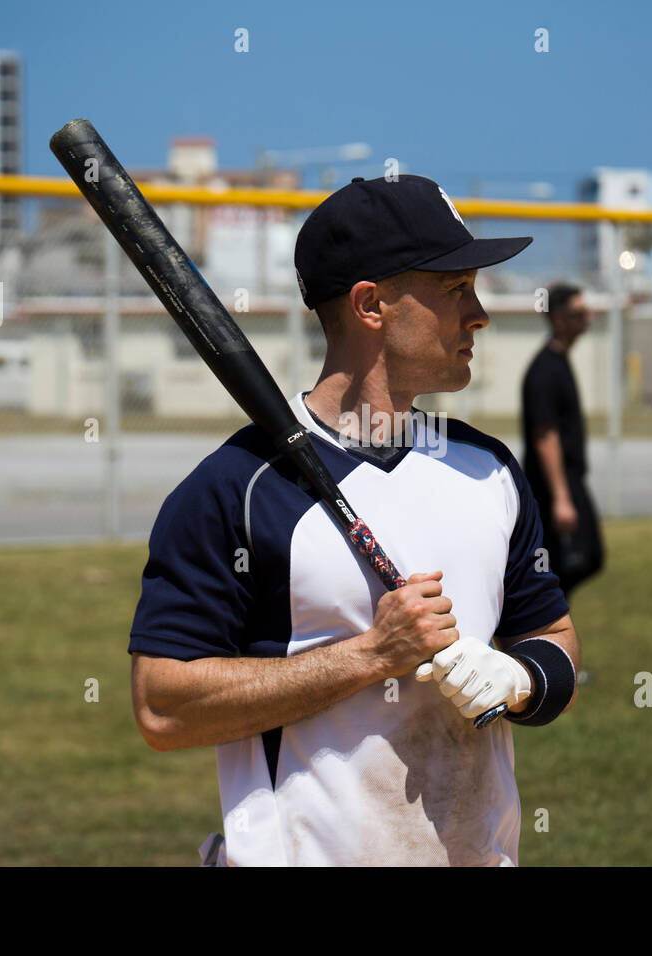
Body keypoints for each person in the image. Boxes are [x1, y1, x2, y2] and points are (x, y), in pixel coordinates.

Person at [129, 174, 581, 866]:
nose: (481, 313)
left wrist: (518, 681)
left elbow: (554, 640)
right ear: (371, 305)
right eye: (456, 288)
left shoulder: (488, 470)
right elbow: (163, 708)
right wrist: (372, 655)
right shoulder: (238, 489)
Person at [521, 283, 604, 597]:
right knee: (566, 565)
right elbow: (545, 436)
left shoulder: (560, 361)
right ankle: (534, 629)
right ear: (558, 318)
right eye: (579, 313)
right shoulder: (544, 370)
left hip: (569, 480)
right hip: (553, 484)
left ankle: (548, 621)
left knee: (583, 560)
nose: (588, 318)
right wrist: (561, 498)